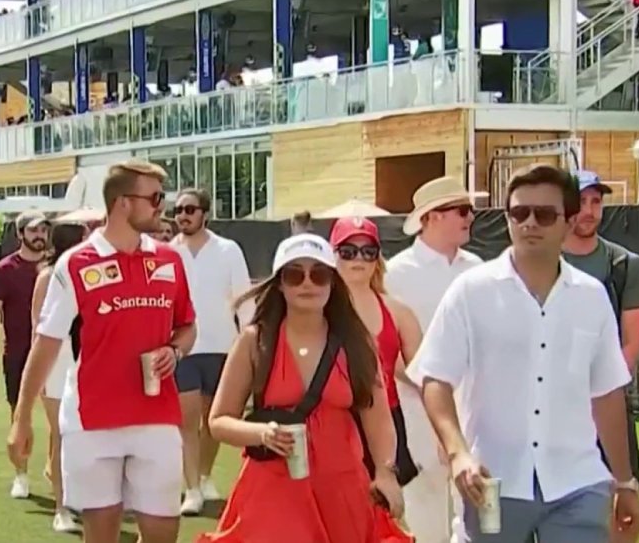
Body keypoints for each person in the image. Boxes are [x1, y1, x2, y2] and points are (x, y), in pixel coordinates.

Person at [408, 163, 639, 543]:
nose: (530, 223)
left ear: (568, 222)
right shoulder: (471, 290)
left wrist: (624, 481)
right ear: (507, 220)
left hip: (578, 482)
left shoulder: (592, 297)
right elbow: (435, 377)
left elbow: (606, 393)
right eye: (520, 213)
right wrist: (457, 454)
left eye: (544, 214)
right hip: (491, 481)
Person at [8, 159, 196, 543]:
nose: (162, 207)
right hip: (92, 421)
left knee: (163, 533)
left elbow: (187, 327)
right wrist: (21, 417)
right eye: (155, 198)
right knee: (101, 534)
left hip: (157, 416)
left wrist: (175, 351)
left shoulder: (169, 259)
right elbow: (46, 343)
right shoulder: (75, 263)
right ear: (123, 202)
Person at [197, 233, 402, 543]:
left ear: (332, 283)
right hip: (273, 488)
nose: (308, 284)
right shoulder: (255, 341)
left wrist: (386, 474)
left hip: (341, 489)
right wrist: (263, 433)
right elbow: (218, 421)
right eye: (295, 275)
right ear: (280, 284)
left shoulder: (357, 343)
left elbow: (379, 420)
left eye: (319, 275)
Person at [384, 175, 483, 543]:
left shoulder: (477, 269)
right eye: (462, 210)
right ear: (432, 217)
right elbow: (387, 348)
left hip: (473, 407)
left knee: (473, 510)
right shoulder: (395, 274)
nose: (470, 217)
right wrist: (433, 393)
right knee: (426, 514)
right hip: (414, 410)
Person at [170, 188, 253, 515]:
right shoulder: (167, 252)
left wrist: (249, 345)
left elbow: (244, 299)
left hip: (223, 348)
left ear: (205, 214)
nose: (183, 215)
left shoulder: (228, 250)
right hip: (182, 348)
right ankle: (191, 489)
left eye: (190, 209)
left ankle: (203, 476)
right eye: (178, 210)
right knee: (186, 421)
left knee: (213, 421)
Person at [562, 170, 639, 487]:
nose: (589, 210)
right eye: (581, 201)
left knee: (618, 493)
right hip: (553, 403)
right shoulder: (544, 262)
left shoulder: (624, 264)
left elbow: (633, 341)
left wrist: (603, 387)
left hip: (607, 399)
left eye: (596, 202)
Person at [329, 216, 422, 485]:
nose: (358, 259)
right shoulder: (315, 310)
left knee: (383, 503)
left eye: (368, 252)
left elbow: (425, 378)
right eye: (348, 251)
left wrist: (447, 439)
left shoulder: (398, 312)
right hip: (333, 421)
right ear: (333, 255)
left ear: (378, 258)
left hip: (386, 421)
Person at [0, 212, 50, 499]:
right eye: (33, 230)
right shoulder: (3, 270)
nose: (40, 236)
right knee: (20, 415)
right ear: (20, 234)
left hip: (55, 352)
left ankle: (54, 470)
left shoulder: (57, 266)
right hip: (18, 353)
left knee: (61, 417)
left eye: (43, 230)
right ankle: (21, 474)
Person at [31, 222, 86, 534]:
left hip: (84, 356)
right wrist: (37, 372)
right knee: (60, 434)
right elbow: (38, 327)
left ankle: (78, 498)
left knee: (83, 434)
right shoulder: (48, 276)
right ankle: (61, 508)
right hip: (56, 358)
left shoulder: (90, 271)